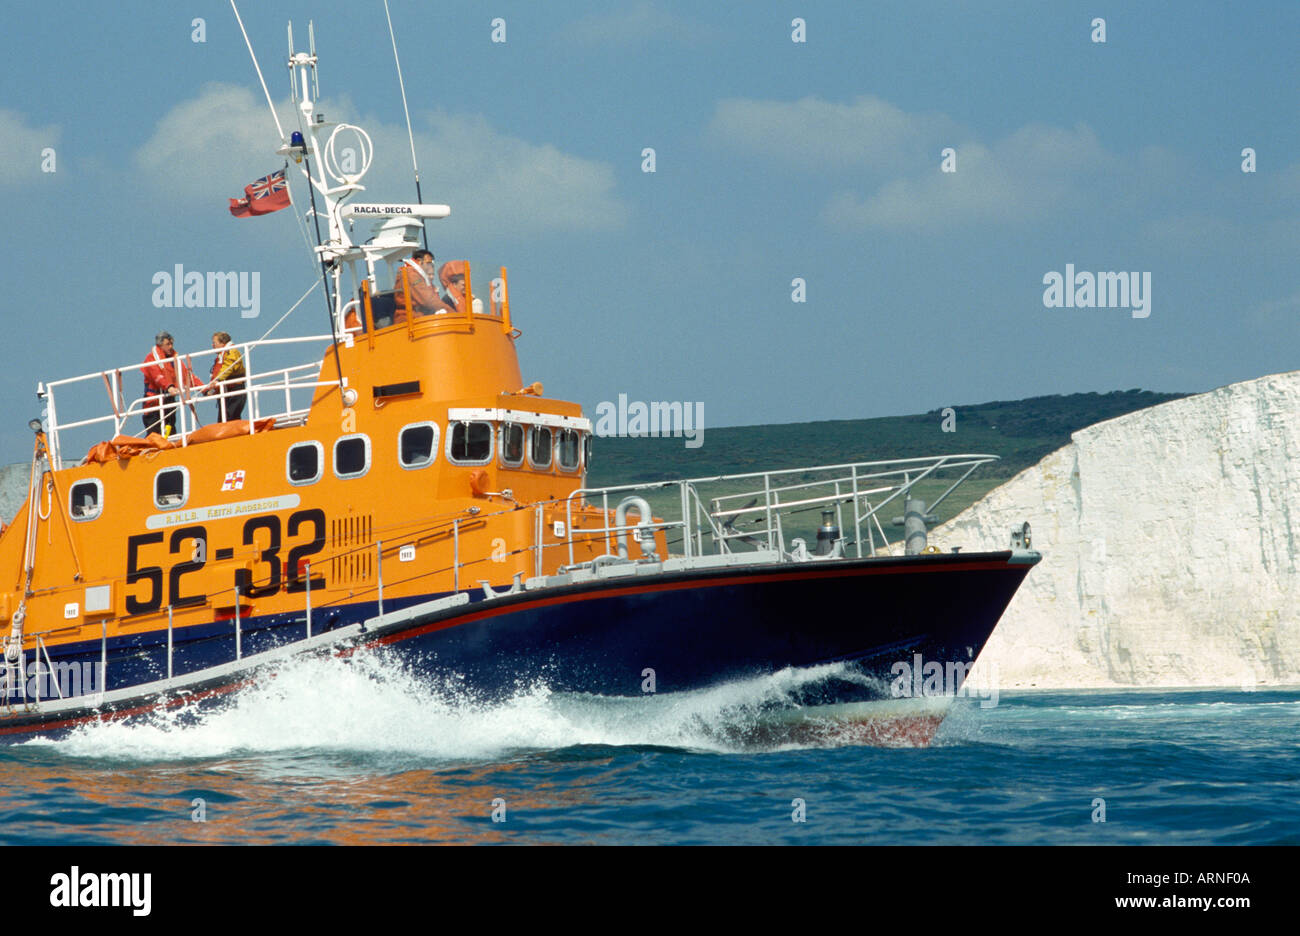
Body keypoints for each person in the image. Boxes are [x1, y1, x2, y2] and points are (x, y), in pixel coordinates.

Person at [141, 331, 202, 437]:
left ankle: (171, 447)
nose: (171, 347)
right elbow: (156, 376)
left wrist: (204, 389)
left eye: (171, 344)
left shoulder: (174, 359)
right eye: (168, 344)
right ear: (160, 345)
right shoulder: (151, 359)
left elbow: (187, 376)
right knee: (154, 433)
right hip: (154, 401)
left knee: (171, 429)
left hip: (169, 400)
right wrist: (169, 387)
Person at [392, 248, 452, 322]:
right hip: (409, 319)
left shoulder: (417, 275)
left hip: (419, 317)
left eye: (431, 264)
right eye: (428, 263)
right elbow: (428, 299)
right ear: (419, 262)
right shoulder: (410, 274)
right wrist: (451, 312)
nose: (430, 266)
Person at [204, 331, 247, 422]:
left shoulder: (231, 351)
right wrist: (212, 389)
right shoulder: (222, 355)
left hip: (235, 390)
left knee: (230, 417)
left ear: (222, 343)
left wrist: (217, 380)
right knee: (224, 419)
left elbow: (229, 366)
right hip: (226, 391)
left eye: (214, 343)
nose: (213, 345)